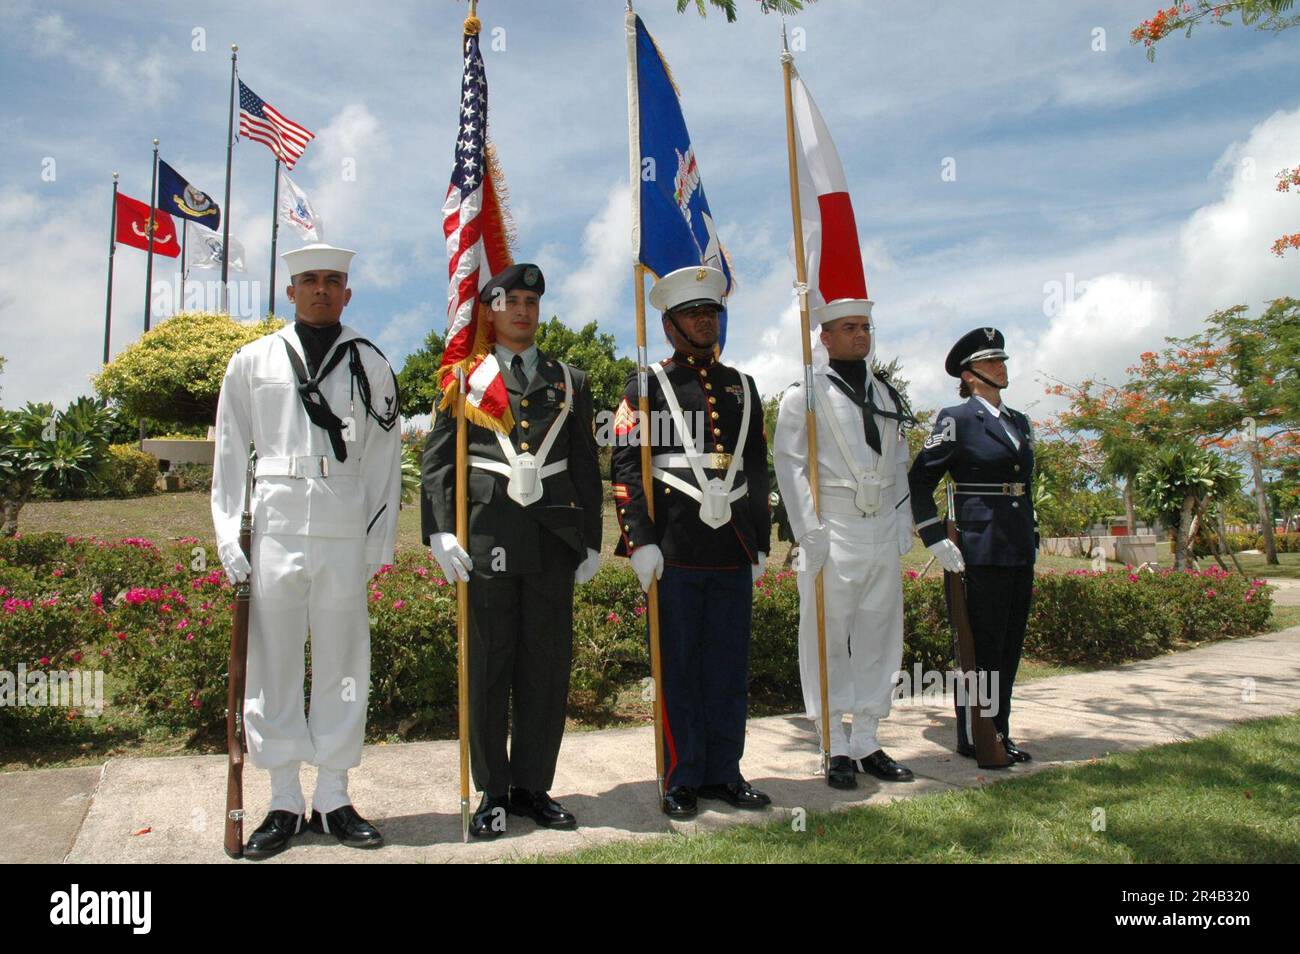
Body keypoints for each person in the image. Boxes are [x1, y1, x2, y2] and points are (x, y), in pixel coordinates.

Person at [211, 242, 402, 858]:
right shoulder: (252, 361)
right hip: (275, 526)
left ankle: (335, 798)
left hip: (344, 527)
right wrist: (226, 534)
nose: (321, 289)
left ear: (348, 292)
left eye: (333, 280)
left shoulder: (369, 362)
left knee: (345, 662)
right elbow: (229, 454)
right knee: (273, 664)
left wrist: (377, 539)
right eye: (309, 280)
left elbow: (384, 458)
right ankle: (285, 800)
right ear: (288, 292)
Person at [421, 262, 603, 839]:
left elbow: (584, 465)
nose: (523, 309)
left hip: (552, 541)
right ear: (491, 309)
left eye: (531, 300)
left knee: (545, 668)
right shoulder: (465, 378)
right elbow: (439, 460)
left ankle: (533, 787)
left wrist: (593, 538)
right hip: (488, 539)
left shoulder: (569, 379)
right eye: (511, 300)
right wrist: (438, 530)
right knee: (489, 667)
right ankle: (492, 793)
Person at [610, 265, 771, 819]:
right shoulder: (647, 386)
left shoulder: (741, 386)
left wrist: (761, 544)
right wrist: (640, 540)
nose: (706, 321)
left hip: (731, 549)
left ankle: (724, 773)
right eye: (694, 314)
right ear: (670, 323)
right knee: (678, 669)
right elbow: (627, 466)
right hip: (674, 549)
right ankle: (681, 777)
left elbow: (756, 469)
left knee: (727, 669)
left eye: (712, 312)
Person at [773, 299, 916, 789]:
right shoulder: (804, 395)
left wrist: (904, 520)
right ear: (825, 337)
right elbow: (788, 463)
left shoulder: (888, 396)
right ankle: (833, 743)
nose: (861, 335)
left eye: (865, 326)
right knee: (827, 636)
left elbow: (899, 464)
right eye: (849, 327)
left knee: (880, 632)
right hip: (832, 526)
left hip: (879, 525)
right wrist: (807, 529)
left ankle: (868, 739)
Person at [908, 327, 1037, 764]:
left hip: (1017, 543)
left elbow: (1024, 484)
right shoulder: (956, 419)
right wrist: (934, 536)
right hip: (979, 546)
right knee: (981, 644)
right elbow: (920, 479)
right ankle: (974, 732)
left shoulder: (1019, 421)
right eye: (991, 362)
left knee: (1009, 643)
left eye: (1002, 360)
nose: (1002, 367)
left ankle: (1000, 729)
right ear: (970, 375)